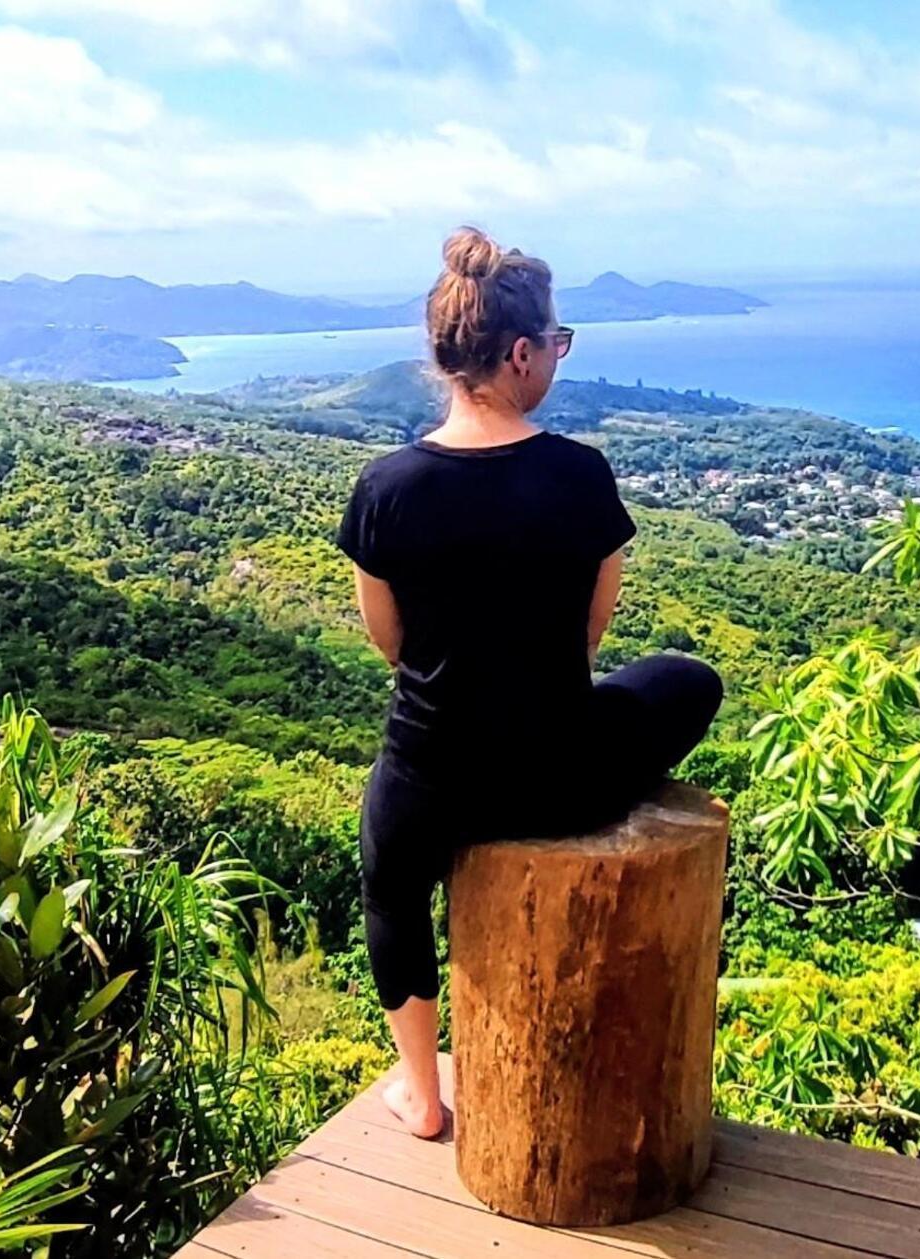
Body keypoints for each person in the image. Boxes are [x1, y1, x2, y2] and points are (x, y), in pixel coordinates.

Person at [336, 226, 724, 1140]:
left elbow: (391, 643)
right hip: (560, 773)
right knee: (688, 680)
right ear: (519, 354)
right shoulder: (580, 476)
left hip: (432, 780)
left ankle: (422, 1092)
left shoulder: (386, 488)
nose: (556, 356)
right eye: (556, 342)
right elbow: (587, 634)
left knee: (389, 887)